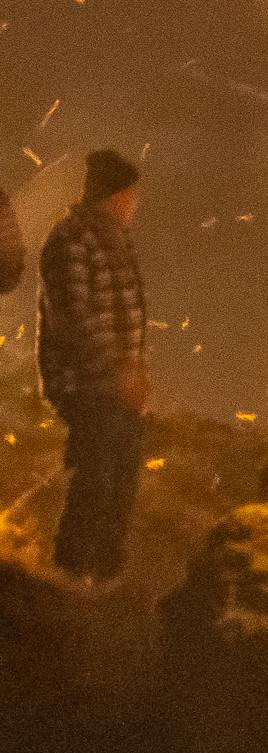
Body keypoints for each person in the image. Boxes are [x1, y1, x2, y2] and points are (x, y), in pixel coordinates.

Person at [36, 151, 149, 583]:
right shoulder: (71, 241)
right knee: (96, 472)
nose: (135, 204)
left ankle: (104, 576)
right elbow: (78, 320)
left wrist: (136, 372)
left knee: (122, 474)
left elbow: (127, 316)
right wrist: (117, 374)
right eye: (131, 195)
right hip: (83, 383)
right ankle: (71, 571)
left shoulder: (116, 242)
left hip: (116, 384)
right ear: (114, 196)